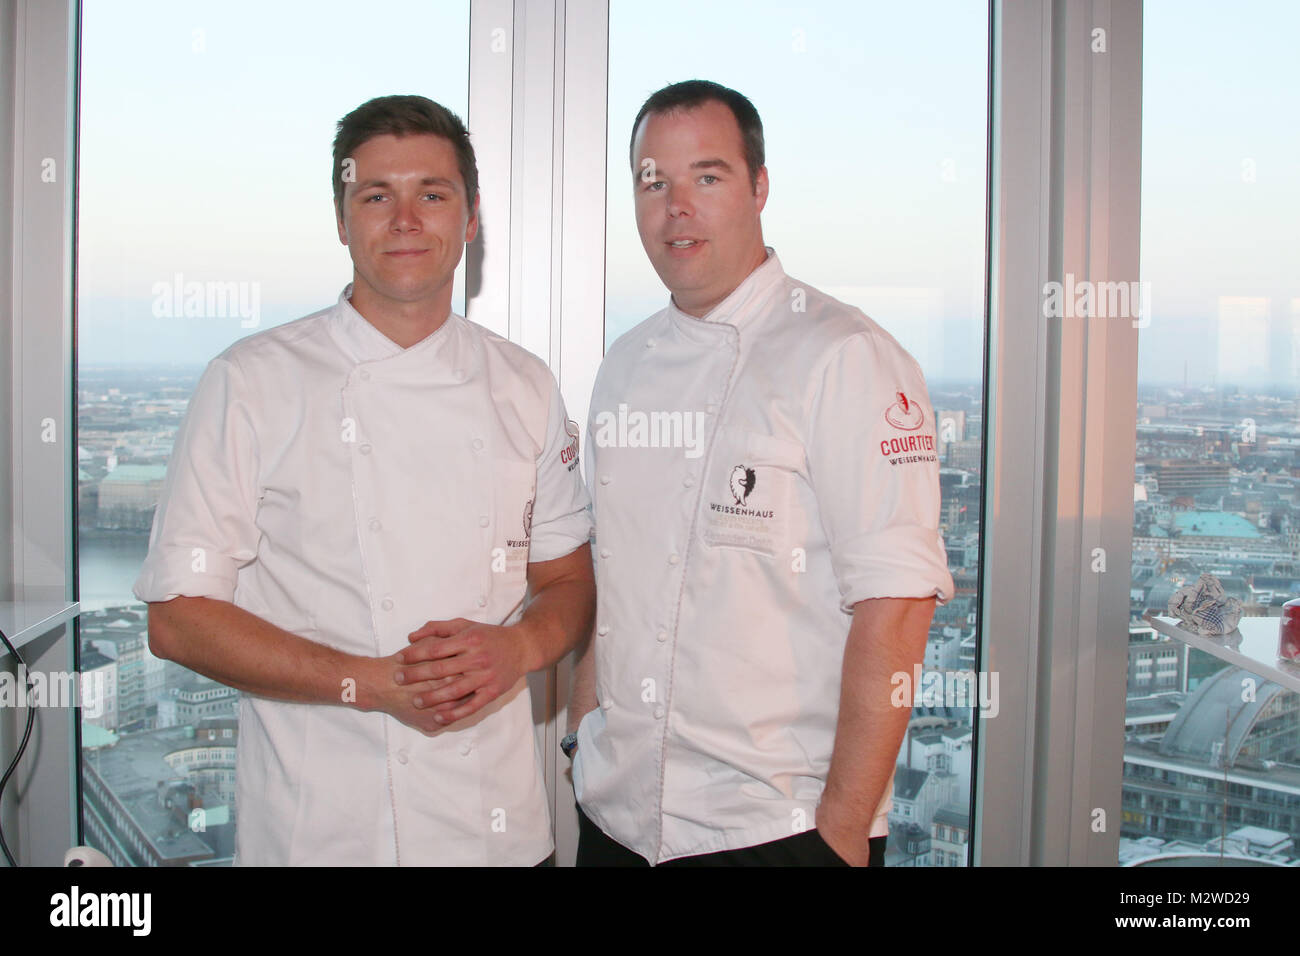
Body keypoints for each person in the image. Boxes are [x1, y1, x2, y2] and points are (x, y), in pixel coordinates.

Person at [134, 95, 595, 866]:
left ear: (471, 218)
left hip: (498, 833)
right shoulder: (250, 381)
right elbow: (178, 619)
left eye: (433, 194)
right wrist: (370, 684)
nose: (406, 220)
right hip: (319, 832)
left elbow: (567, 578)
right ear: (342, 220)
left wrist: (519, 648)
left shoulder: (525, 385)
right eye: (376, 195)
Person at [566, 80, 954, 867]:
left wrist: (841, 834)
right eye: (654, 182)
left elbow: (900, 608)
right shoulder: (625, 368)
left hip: (777, 831)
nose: (678, 206)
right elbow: (617, 581)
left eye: (707, 177)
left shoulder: (845, 356)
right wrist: (581, 738)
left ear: (760, 187)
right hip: (616, 821)